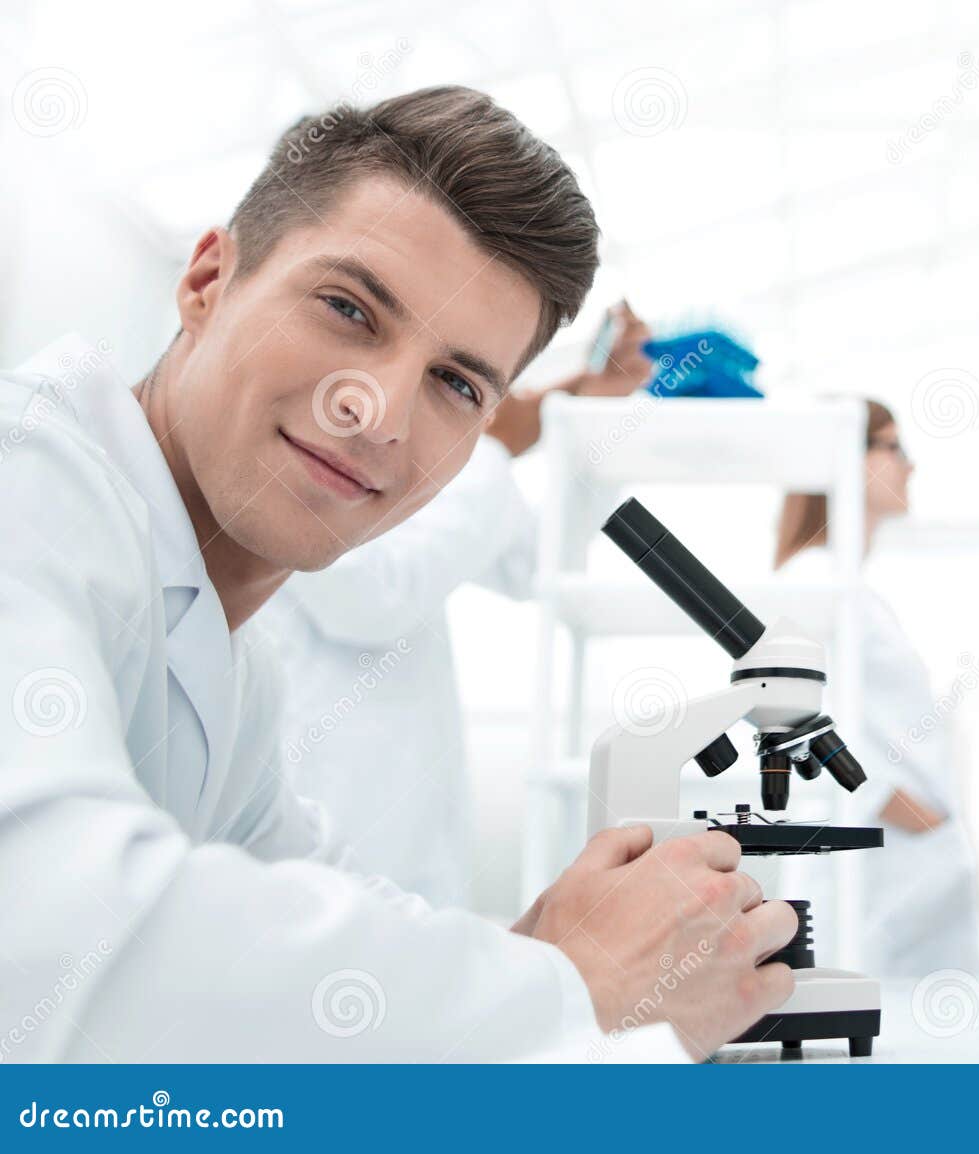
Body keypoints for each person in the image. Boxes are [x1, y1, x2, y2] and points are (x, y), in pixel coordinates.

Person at [0, 87, 795, 1062]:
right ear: (208, 279)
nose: (374, 410)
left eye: (456, 383)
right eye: (348, 309)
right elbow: (49, 935)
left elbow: (318, 1001)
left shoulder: (232, 681)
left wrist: (556, 954)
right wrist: (563, 978)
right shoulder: (23, 476)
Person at [254, 303, 654, 906]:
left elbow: (530, 563)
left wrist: (591, 428)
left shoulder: (417, 478)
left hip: (400, 846)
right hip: (322, 854)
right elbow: (378, 595)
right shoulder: (292, 465)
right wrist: (490, 446)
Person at [773, 399, 979, 977]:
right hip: (873, 870)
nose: (909, 466)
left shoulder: (858, 592)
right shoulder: (812, 583)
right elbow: (783, 712)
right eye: (894, 448)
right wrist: (887, 798)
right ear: (847, 457)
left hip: (912, 873)